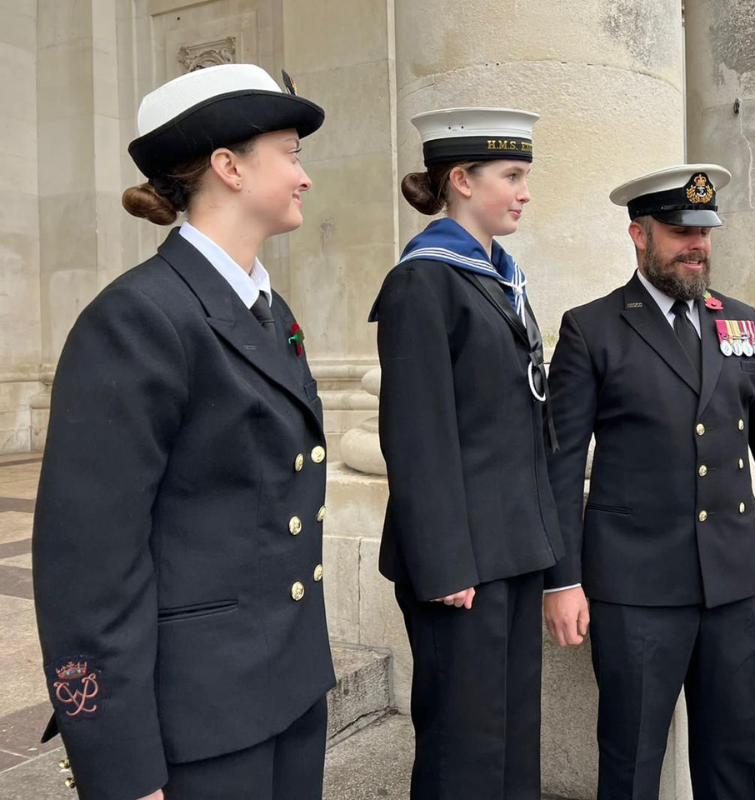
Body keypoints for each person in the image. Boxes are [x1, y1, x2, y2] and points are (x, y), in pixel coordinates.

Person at [33, 64, 332, 800]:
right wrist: (120, 763)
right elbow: (91, 568)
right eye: (291, 152)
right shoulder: (137, 318)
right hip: (198, 720)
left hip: (288, 689)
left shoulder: (271, 308)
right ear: (228, 167)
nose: (305, 177)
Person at [544, 164, 755, 800]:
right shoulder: (593, 328)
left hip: (731, 581)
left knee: (734, 757)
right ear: (639, 235)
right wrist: (563, 577)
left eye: (704, 231)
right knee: (632, 760)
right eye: (678, 231)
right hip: (634, 585)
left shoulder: (740, 321)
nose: (696, 245)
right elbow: (560, 462)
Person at [368, 107, 564, 799]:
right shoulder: (424, 281)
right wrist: (446, 561)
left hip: (511, 545)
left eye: (525, 176)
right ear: (460, 179)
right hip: (461, 561)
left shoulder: (497, 277)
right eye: (511, 175)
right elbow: (417, 434)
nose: (524, 191)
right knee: (464, 744)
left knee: (511, 733)